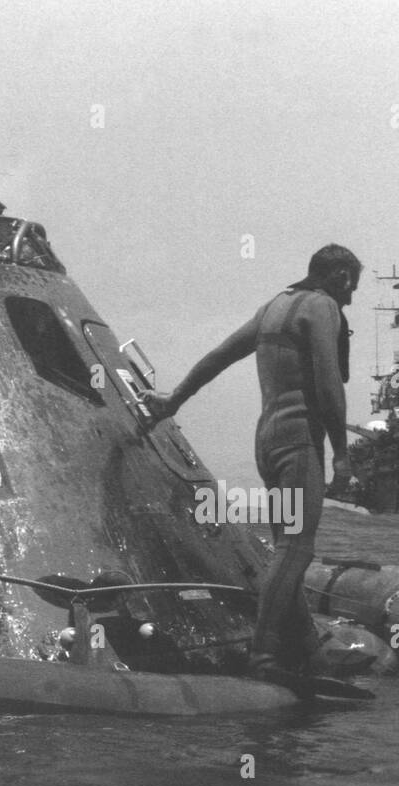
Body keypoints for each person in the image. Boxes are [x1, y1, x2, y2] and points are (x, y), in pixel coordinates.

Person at [143, 244, 360, 678]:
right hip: (300, 442)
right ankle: (263, 656)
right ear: (339, 276)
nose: (353, 295)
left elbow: (218, 357)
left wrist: (175, 400)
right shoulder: (322, 308)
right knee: (296, 547)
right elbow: (328, 380)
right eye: (353, 283)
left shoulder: (275, 306)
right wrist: (341, 454)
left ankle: (307, 652)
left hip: (267, 441)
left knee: (286, 546)